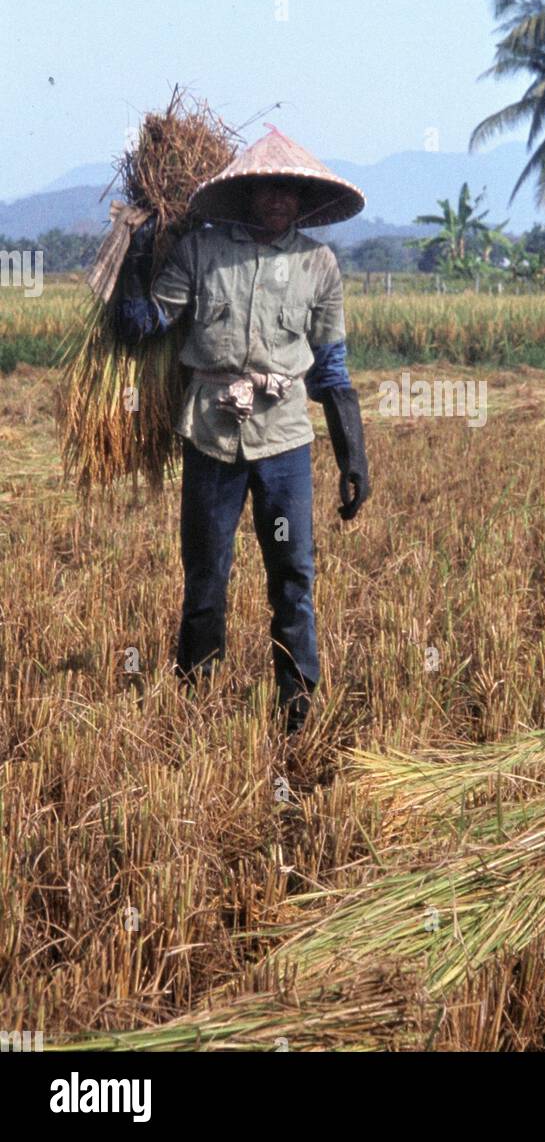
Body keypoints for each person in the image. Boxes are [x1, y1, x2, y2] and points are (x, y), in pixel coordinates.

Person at [114, 125, 370, 735]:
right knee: (206, 572)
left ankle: (297, 706)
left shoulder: (319, 264)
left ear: (304, 201)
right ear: (247, 193)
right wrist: (134, 255)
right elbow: (145, 323)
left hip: (284, 440)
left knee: (293, 573)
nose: (279, 200)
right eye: (268, 189)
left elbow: (331, 369)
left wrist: (352, 458)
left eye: (290, 192)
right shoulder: (202, 252)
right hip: (210, 433)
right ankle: (196, 697)